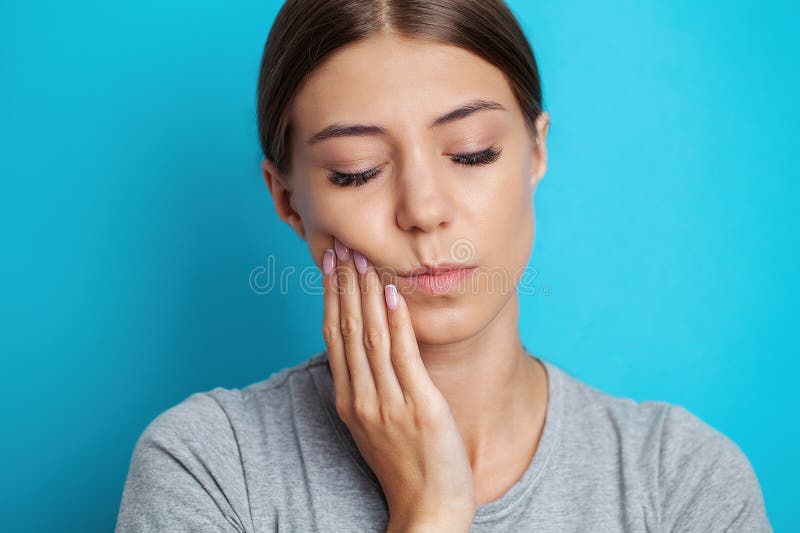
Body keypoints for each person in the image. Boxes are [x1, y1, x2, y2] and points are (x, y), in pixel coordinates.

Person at [115, 1, 772, 531]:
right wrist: (428, 512)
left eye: (471, 152)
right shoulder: (209, 468)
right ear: (287, 199)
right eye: (357, 171)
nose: (424, 211)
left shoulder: (682, 479)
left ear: (536, 150)